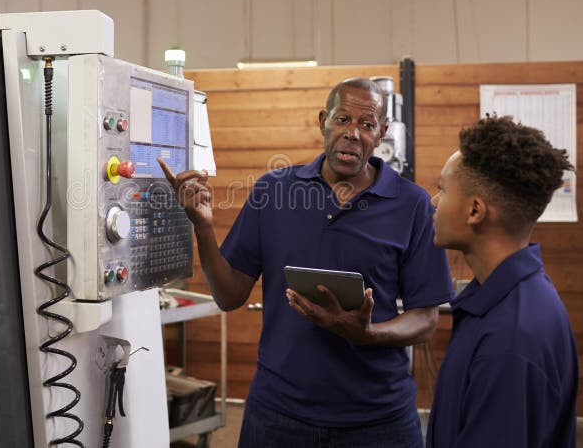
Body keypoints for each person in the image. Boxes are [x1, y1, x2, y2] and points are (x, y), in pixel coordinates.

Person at [159, 77, 453, 447]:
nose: (352, 133)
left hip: (378, 420)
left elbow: (425, 320)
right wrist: (201, 227)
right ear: (322, 122)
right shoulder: (274, 190)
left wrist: (367, 335)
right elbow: (229, 296)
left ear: (381, 134)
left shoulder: (412, 205)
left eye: (366, 124)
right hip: (278, 414)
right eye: (342, 119)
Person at [426, 115, 578, 447]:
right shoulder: (508, 300)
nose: (434, 205)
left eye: (442, 190)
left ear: (475, 211)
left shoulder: (510, 340)